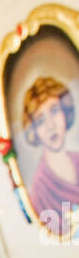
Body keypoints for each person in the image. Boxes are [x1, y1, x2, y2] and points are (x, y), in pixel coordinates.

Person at [23, 77, 79, 237]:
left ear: (64, 112)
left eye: (54, 111)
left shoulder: (77, 159)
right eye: (40, 120)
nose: (50, 126)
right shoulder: (40, 189)